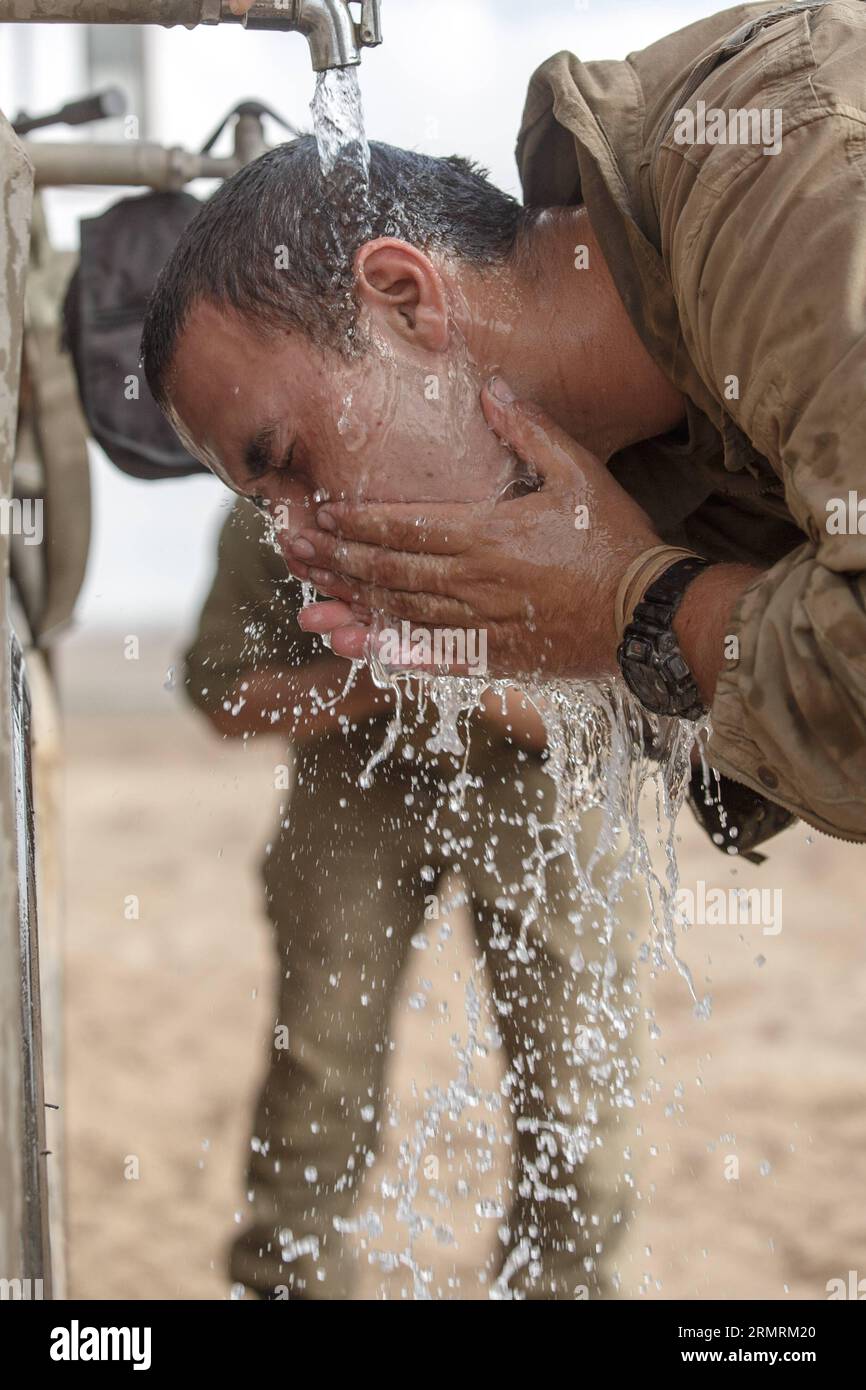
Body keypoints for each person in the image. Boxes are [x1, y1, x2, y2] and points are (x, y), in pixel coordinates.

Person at [142, 1, 866, 856]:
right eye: (267, 508)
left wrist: (628, 608)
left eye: (290, 462)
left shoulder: (788, 168)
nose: (297, 540)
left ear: (406, 303)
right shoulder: (636, 463)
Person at [185, 499, 645, 1300]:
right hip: (354, 770)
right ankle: (292, 1280)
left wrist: (460, 672)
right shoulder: (282, 500)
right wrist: (373, 675)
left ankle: (564, 1285)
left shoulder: (572, 485)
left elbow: (637, 702)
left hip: (542, 784)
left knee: (577, 1069)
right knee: (320, 1059)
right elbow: (223, 697)